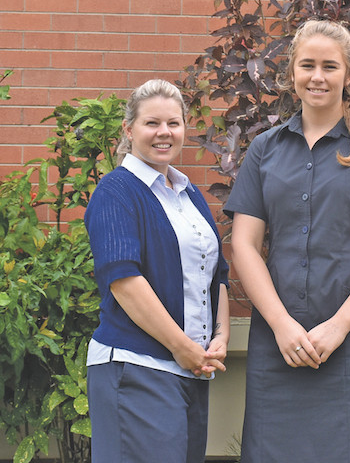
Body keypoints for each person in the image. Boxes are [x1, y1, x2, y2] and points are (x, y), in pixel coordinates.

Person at [224, 20, 350, 463]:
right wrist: (280, 324)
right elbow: (244, 246)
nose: (318, 76)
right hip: (279, 343)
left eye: (330, 66)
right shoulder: (264, 150)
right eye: (307, 65)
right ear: (291, 73)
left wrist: (339, 325)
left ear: (348, 75)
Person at [84, 79, 230, 463]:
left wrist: (221, 336)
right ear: (129, 130)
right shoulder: (117, 191)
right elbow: (124, 281)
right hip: (137, 367)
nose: (164, 133)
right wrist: (184, 348)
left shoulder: (189, 194)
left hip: (191, 370)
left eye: (174, 123)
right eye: (152, 123)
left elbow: (218, 274)